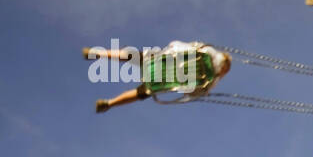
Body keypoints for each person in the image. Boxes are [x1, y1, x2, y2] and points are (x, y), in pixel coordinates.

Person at [87, 41, 230, 113]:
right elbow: (192, 92)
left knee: (133, 56)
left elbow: (187, 46)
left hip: (165, 61)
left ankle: (98, 54)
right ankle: (110, 103)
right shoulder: (212, 80)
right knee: (139, 93)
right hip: (165, 78)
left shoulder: (208, 51)